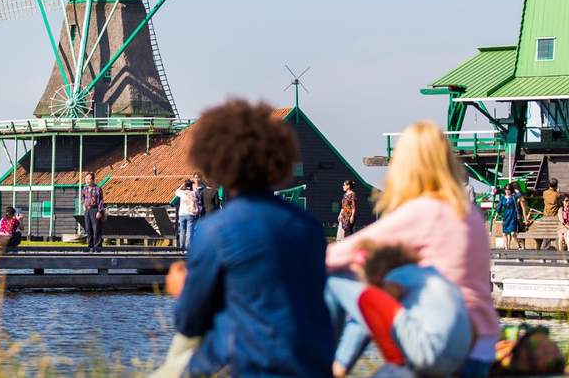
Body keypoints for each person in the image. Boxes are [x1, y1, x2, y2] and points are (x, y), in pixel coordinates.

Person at [153, 99, 332, 377]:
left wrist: (182, 289)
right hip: (311, 365)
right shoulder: (308, 226)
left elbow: (189, 321)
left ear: (214, 161)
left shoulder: (215, 230)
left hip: (246, 365)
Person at [326, 121, 499, 378]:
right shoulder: (469, 213)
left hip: (442, 339)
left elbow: (341, 253)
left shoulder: (423, 211)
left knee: (336, 279)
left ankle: (320, 364)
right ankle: (337, 366)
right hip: (482, 348)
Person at [324, 242, 471, 376]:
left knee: (359, 295)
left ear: (379, 274)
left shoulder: (397, 275)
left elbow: (381, 308)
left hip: (425, 352)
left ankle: (331, 360)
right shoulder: (436, 276)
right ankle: (339, 365)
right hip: (456, 360)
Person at [79, 172, 105, 252]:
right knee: (88, 228)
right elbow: (82, 197)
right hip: (87, 210)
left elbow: (101, 201)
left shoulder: (98, 189)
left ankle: (97, 246)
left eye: (89, 179)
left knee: (96, 228)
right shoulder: (85, 188)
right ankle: (90, 246)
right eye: (86, 179)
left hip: (95, 209)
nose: (87, 181)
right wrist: (83, 204)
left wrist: (99, 211)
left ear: (93, 180)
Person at [174, 179, 200, 250]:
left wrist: (182, 185)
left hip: (182, 213)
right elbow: (197, 193)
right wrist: (193, 186)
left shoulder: (182, 193)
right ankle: (187, 247)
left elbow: (176, 192)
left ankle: (181, 246)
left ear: (185, 186)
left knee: (182, 231)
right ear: (191, 185)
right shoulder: (193, 193)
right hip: (190, 213)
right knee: (189, 231)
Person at [497, 183, 523, 250]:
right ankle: (506, 248)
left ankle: (519, 244)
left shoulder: (514, 197)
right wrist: (496, 215)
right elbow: (499, 207)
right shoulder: (502, 198)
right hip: (506, 216)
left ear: (511, 190)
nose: (507, 191)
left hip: (513, 216)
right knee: (504, 233)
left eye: (509, 189)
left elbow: (520, 194)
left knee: (513, 233)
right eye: (506, 189)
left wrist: (516, 190)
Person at [541, 178, 561, 250]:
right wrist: (558, 192)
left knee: (546, 232)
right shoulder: (557, 194)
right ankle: (550, 247)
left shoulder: (544, 193)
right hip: (554, 215)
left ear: (549, 185)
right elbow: (559, 202)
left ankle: (544, 247)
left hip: (546, 215)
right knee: (555, 233)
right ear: (556, 185)